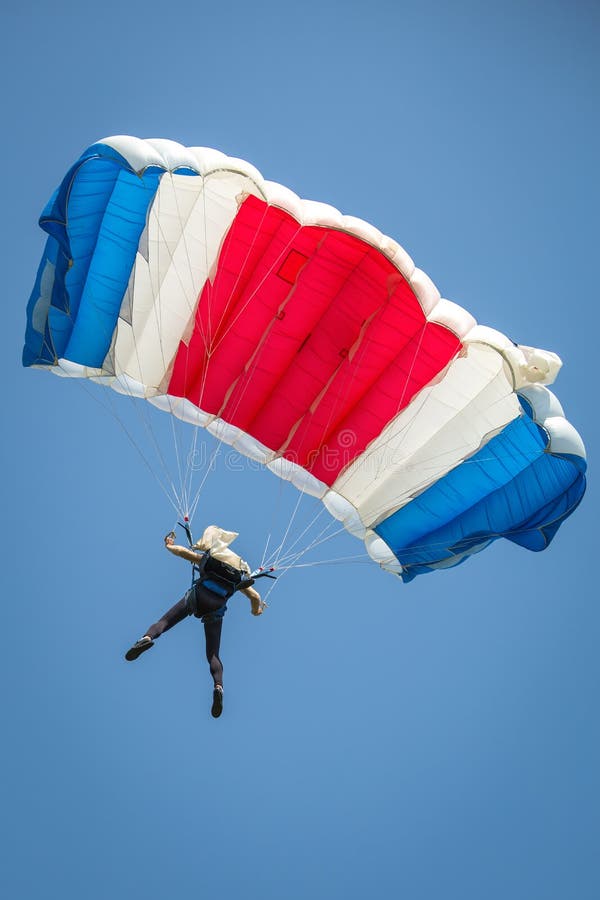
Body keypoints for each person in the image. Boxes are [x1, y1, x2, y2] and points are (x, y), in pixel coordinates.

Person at [125, 525, 263, 718]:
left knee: (164, 622)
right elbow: (255, 597)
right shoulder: (238, 573)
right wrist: (256, 610)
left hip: (198, 596)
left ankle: (147, 638)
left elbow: (182, 552)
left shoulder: (209, 558)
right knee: (213, 654)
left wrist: (169, 545)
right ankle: (218, 686)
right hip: (216, 607)